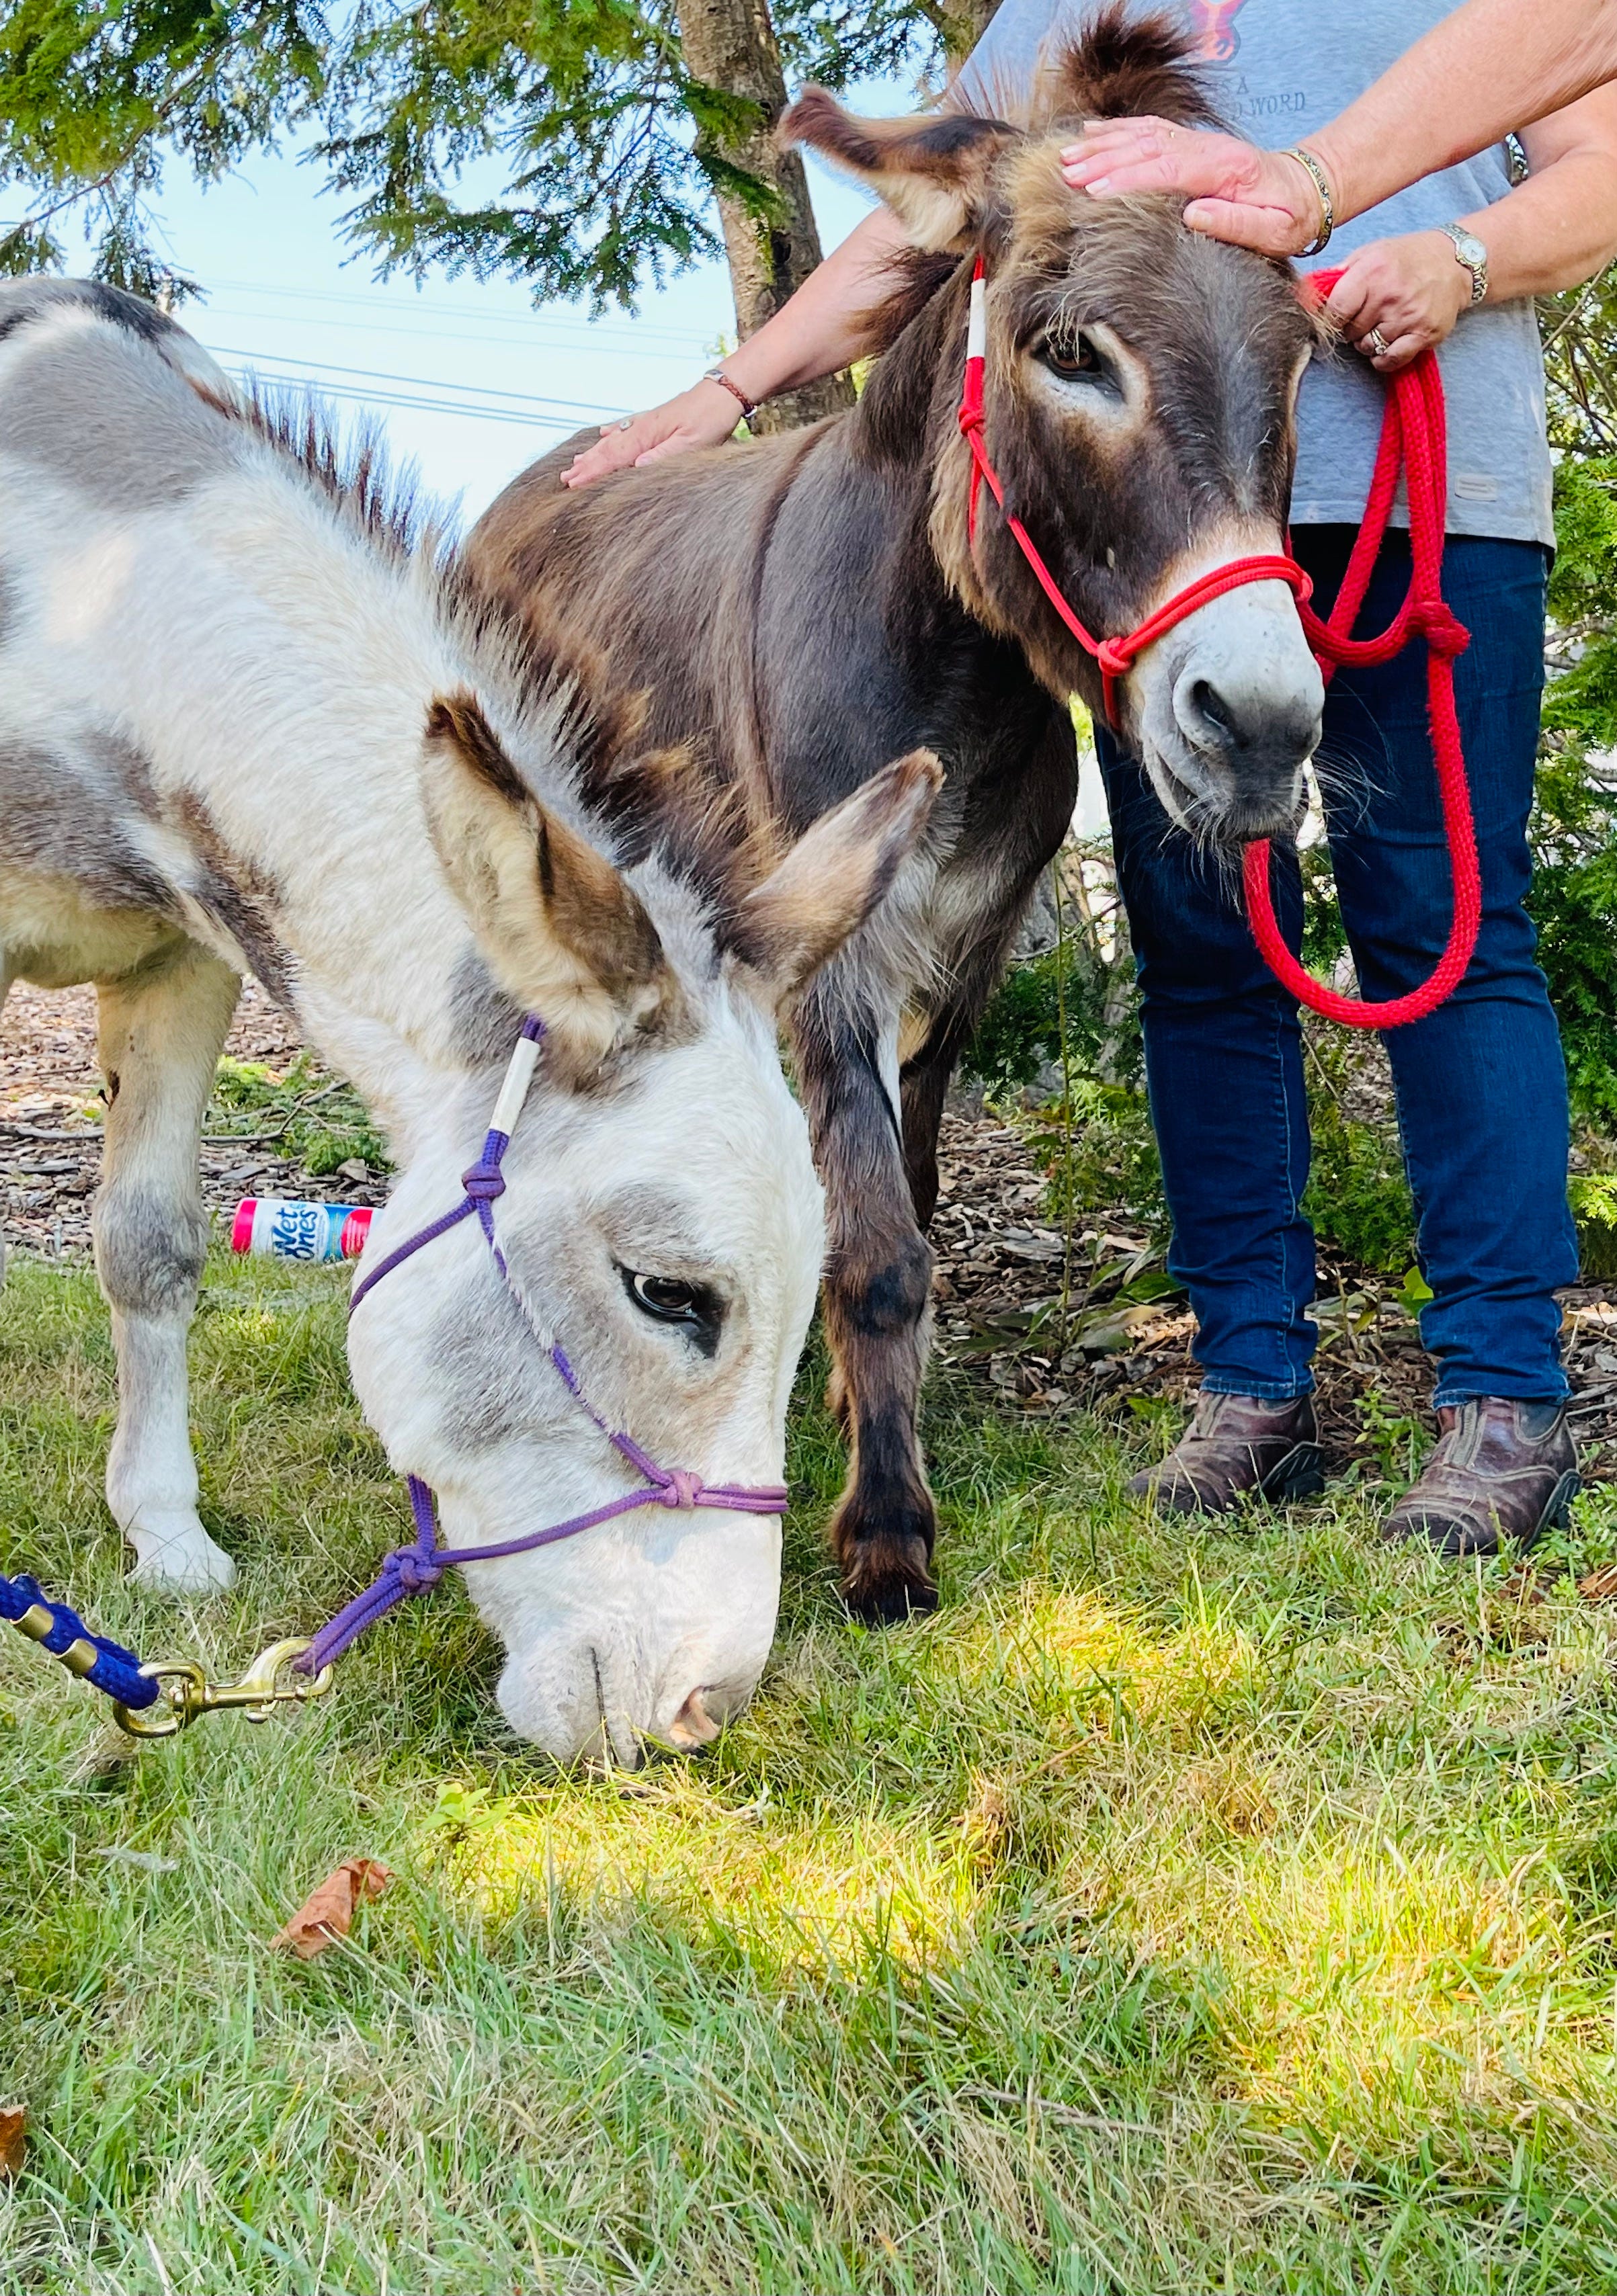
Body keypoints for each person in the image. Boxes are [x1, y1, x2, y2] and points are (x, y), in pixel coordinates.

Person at [565, 5, 1617, 1557]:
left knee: (1446, 936)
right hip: (1143, 554)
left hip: (1421, 491)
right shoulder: (1060, 20)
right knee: (1200, 963)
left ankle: (1507, 1393)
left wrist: (1461, 262)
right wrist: (725, 393)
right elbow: (928, 246)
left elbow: (1598, 162)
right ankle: (1253, 1381)